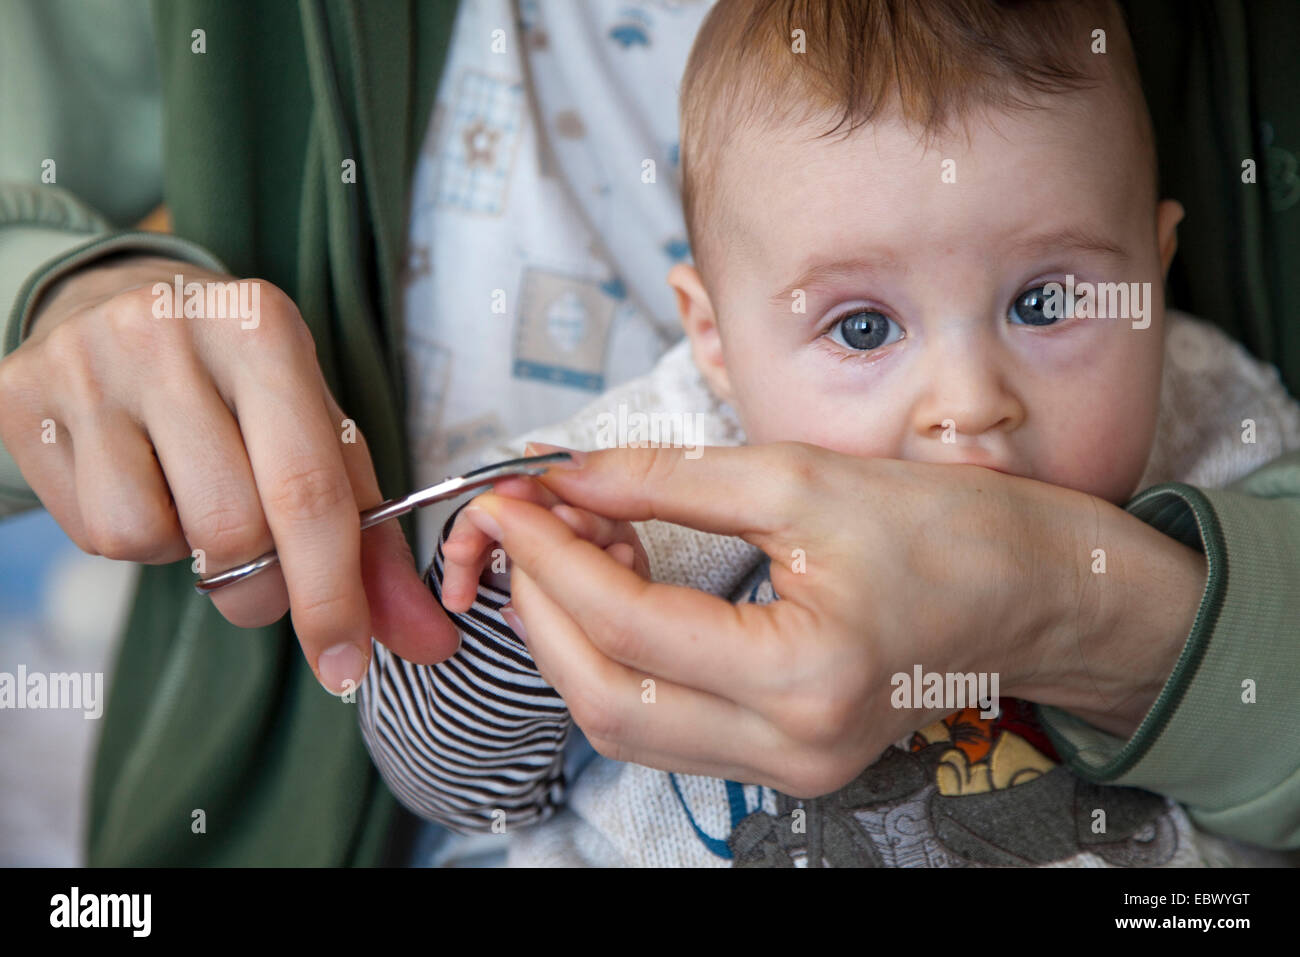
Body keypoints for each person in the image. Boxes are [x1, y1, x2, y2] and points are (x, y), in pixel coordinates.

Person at [0, 0, 1297, 866]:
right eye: (859, 329)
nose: (970, 403)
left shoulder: (1214, 420)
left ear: (1158, 261)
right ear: (715, 334)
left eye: (1049, 301)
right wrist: (507, 615)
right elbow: (445, 777)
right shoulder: (661, 474)